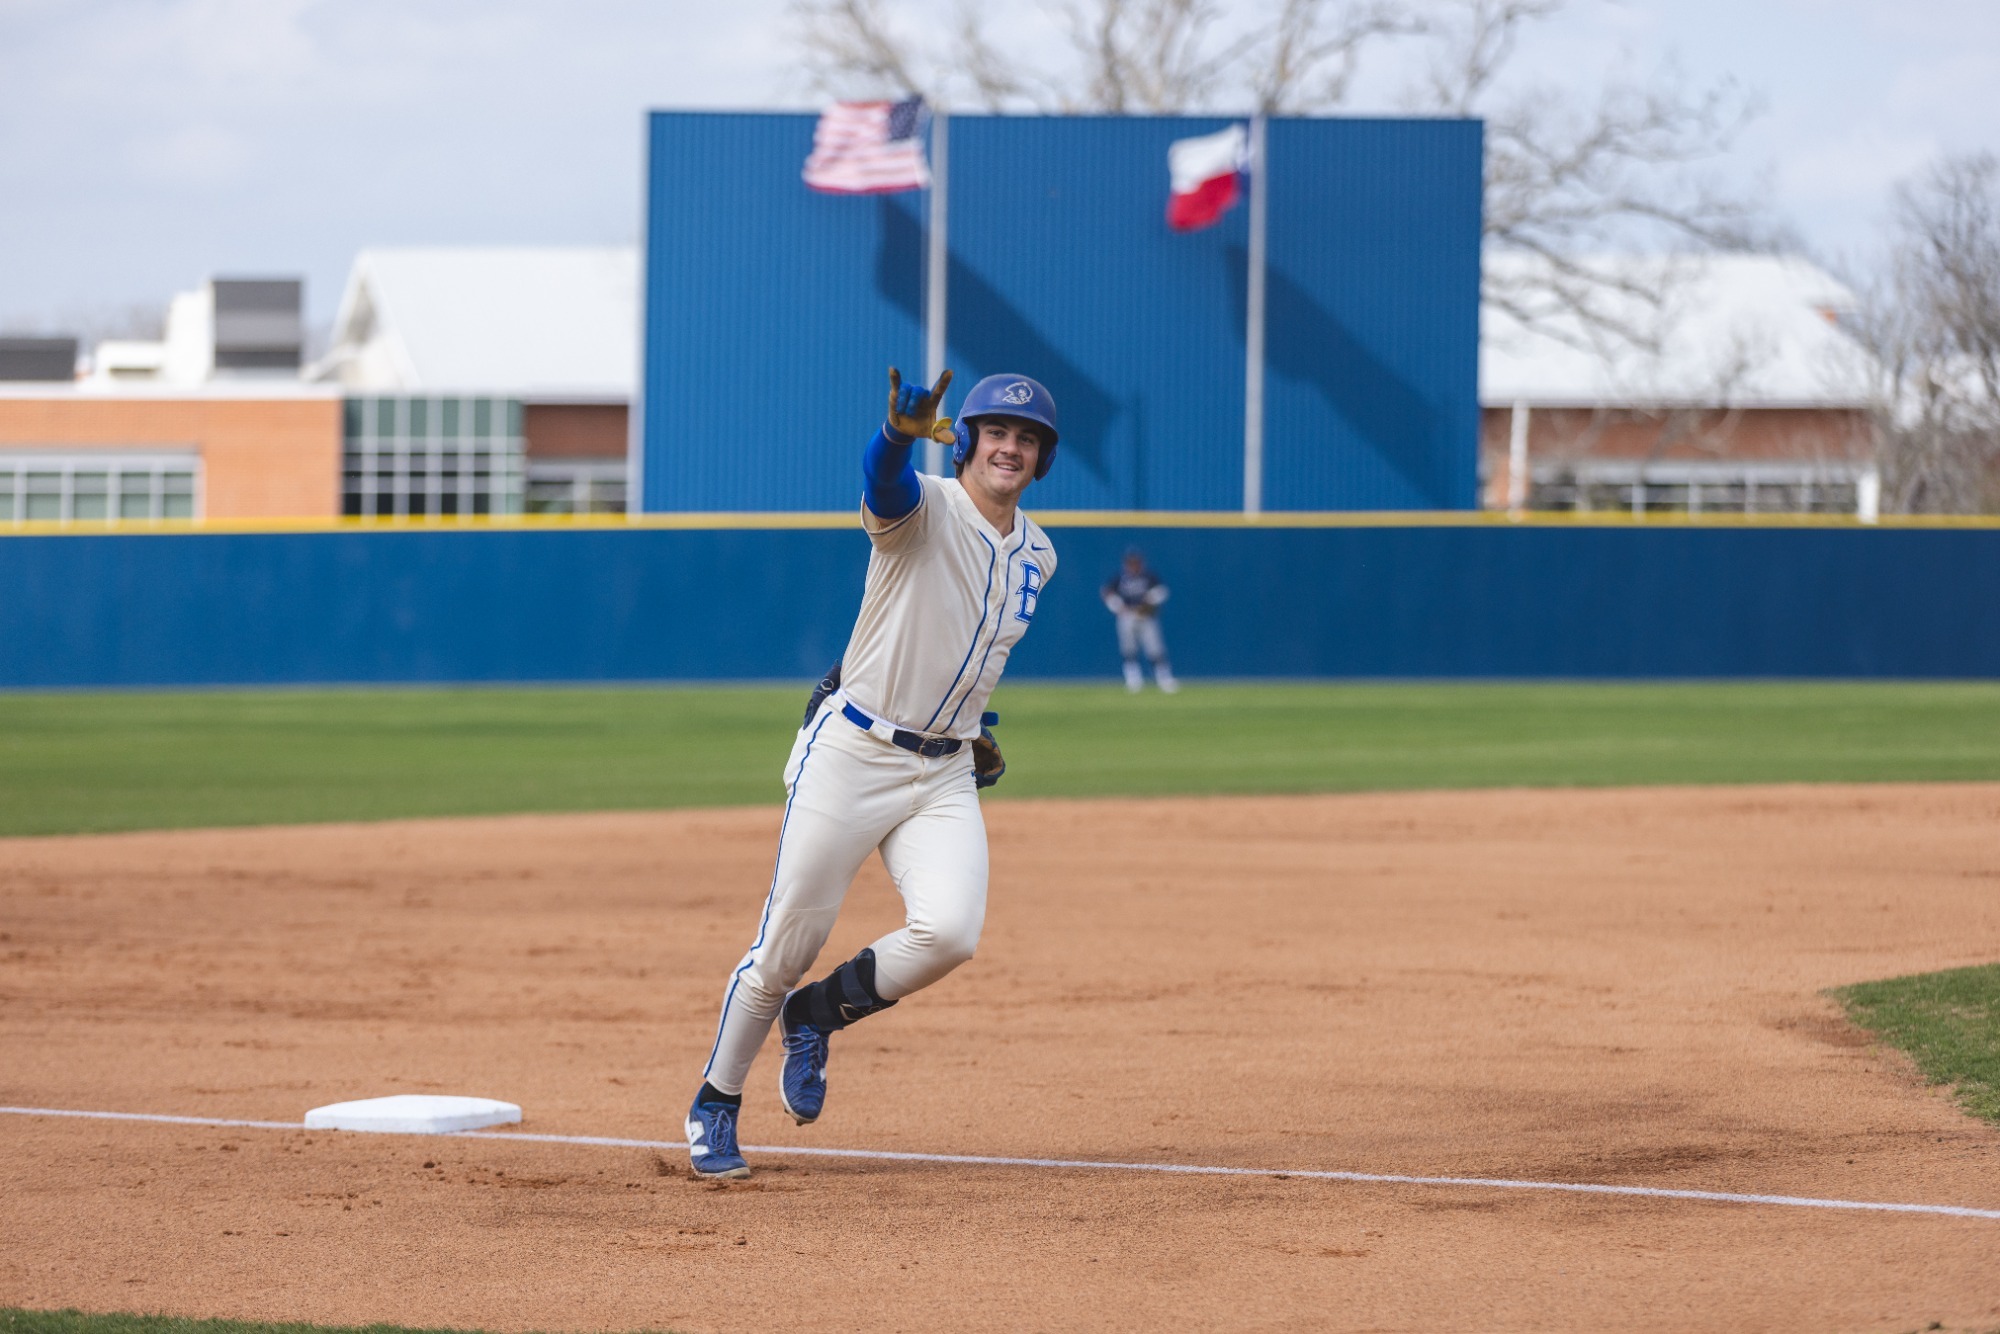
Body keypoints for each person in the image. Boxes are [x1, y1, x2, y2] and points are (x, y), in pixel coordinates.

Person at [684, 367, 1061, 1179]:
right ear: (966, 442)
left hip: (944, 770)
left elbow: (969, 649)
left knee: (950, 933)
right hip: (853, 754)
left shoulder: (1040, 555)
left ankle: (816, 1015)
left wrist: (970, 727)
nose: (1011, 448)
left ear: (1043, 458)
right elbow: (882, 484)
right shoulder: (924, 509)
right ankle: (716, 1101)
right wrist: (894, 437)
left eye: (1027, 439)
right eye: (997, 432)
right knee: (785, 945)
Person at [1102, 548, 1178, 693]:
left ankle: (1164, 678)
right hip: (1127, 616)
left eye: (1136, 562)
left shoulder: (1148, 576)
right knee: (1129, 649)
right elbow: (1107, 591)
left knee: (1155, 648)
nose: (1134, 566)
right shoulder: (1121, 578)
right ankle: (1133, 679)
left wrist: (1149, 602)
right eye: (1131, 563)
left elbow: (1161, 591)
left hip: (1146, 616)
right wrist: (1117, 606)